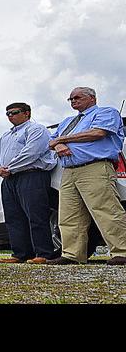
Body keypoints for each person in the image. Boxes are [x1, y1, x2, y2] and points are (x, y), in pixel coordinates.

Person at [46, 87, 126, 265]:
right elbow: (52, 140)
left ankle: (122, 250)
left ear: (92, 98)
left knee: (106, 210)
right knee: (68, 214)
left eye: (77, 97)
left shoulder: (106, 112)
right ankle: (72, 254)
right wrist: (58, 144)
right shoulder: (67, 121)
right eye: (70, 99)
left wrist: (62, 140)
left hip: (94, 167)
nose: (73, 101)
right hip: (68, 171)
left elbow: (98, 133)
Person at [0, 103, 58, 264]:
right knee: (13, 217)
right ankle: (20, 253)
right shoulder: (5, 136)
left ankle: (44, 253)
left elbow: (32, 152)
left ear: (27, 113)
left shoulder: (36, 129)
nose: (10, 116)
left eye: (14, 112)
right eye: (7, 113)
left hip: (31, 175)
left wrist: (10, 167)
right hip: (9, 179)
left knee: (36, 214)